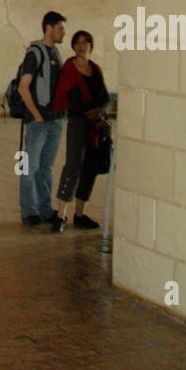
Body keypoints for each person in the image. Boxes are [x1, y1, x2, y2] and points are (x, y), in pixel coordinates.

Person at [50, 30, 110, 232]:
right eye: (78, 42)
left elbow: (104, 97)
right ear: (74, 46)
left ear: (91, 46)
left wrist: (100, 111)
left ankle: (80, 214)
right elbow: (68, 96)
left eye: (86, 42)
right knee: (73, 165)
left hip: (95, 125)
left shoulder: (96, 69)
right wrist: (90, 112)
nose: (82, 46)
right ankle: (61, 214)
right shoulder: (70, 68)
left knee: (90, 168)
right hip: (78, 123)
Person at [17, 11, 66, 225]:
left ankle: (45, 209)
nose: (63, 32)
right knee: (29, 167)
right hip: (38, 122)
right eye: (60, 28)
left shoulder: (56, 53)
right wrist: (36, 115)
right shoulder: (35, 53)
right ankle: (29, 211)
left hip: (55, 120)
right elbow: (23, 87)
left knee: (45, 167)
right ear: (49, 28)